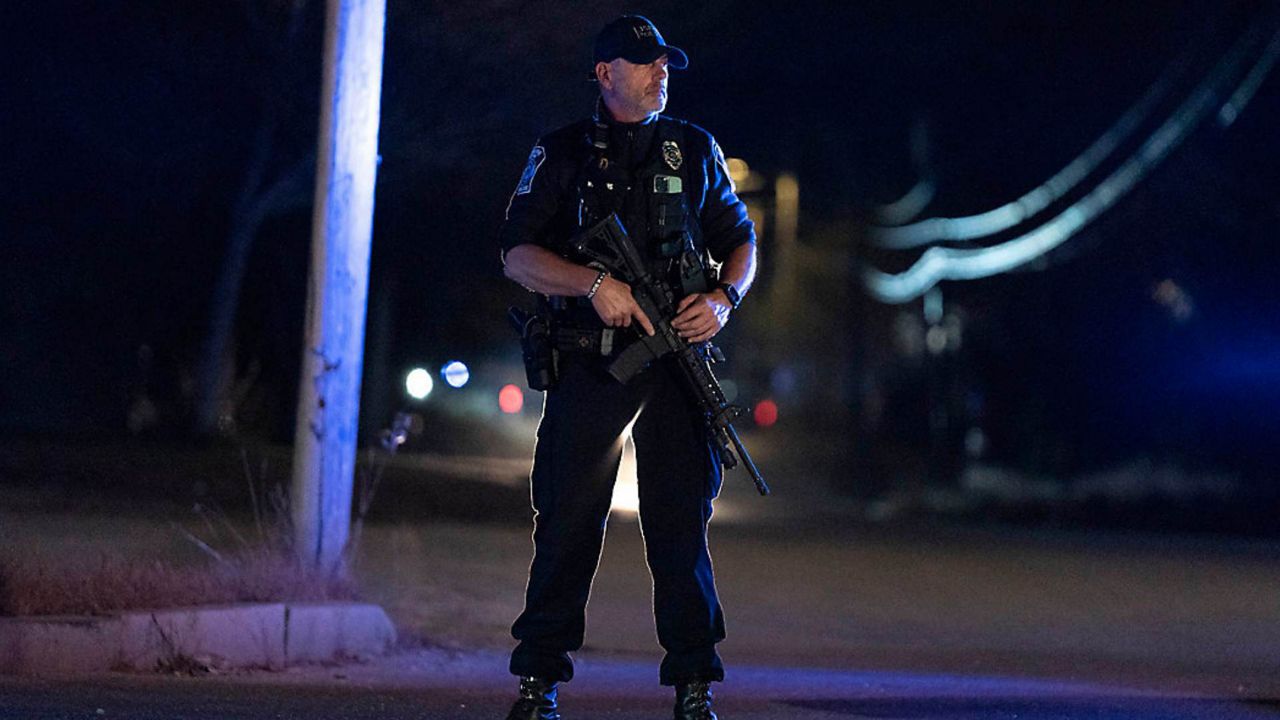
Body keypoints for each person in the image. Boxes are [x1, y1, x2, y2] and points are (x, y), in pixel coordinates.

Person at [499, 14, 757, 720]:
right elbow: (517, 254)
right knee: (567, 522)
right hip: (591, 365)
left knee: (680, 526)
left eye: (664, 63)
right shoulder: (562, 154)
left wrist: (725, 298)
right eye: (644, 63)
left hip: (676, 363)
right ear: (604, 72)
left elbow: (741, 237)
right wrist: (592, 285)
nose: (660, 72)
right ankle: (538, 682)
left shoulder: (694, 149)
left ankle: (695, 685)